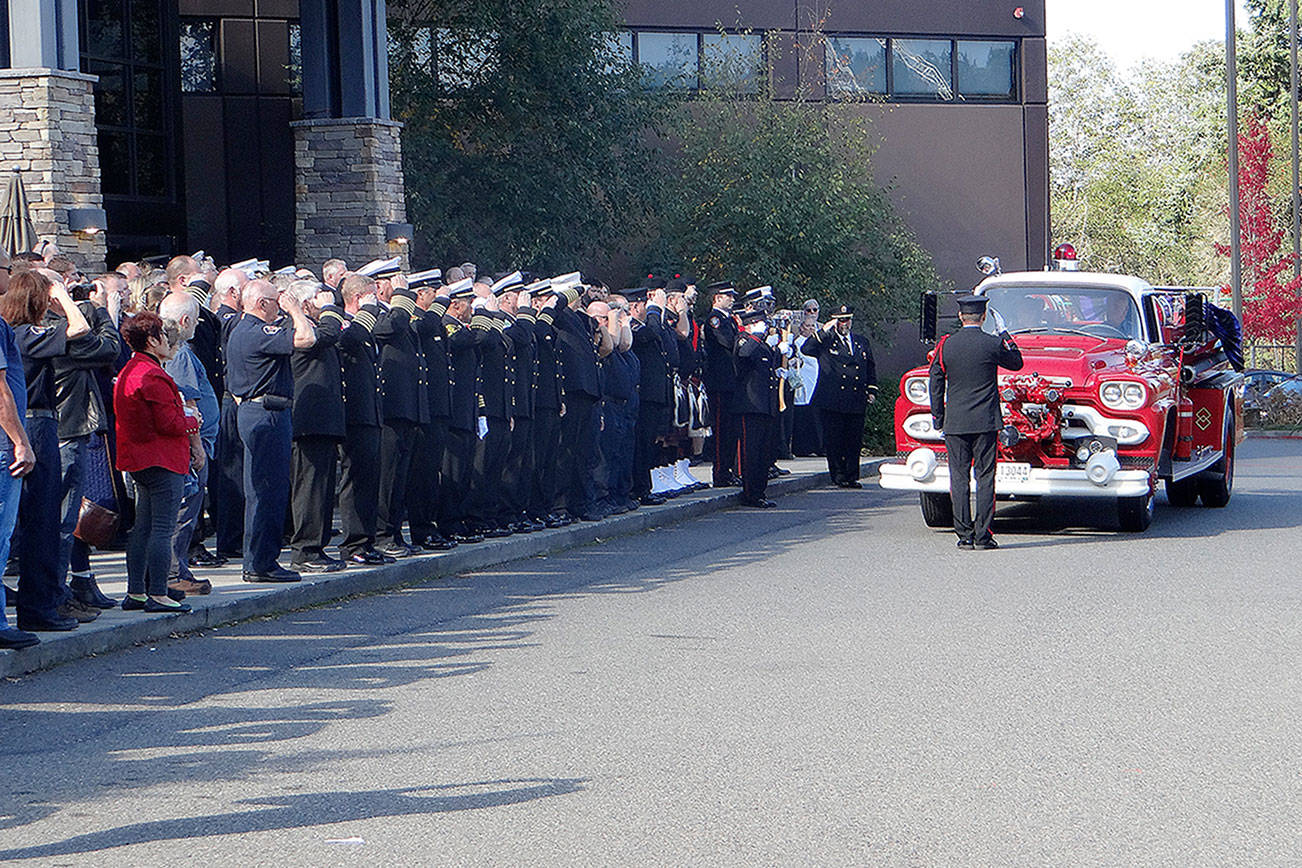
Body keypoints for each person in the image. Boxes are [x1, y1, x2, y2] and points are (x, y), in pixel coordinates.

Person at [3, 269, 92, 631]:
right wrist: (64, 298)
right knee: (42, 519)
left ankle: (38, 603)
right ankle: (38, 607)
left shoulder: (14, 333)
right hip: (34, 422)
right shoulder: (26, 334)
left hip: (30, 421)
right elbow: (80, 329)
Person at [226, 279, 316, 582]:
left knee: (263, 490)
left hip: (258, 412)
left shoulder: (242, 330)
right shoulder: (256, 332)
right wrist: (295, 310)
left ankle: (259, 559)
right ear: (261, 304)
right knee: (268, 491)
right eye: (275, 302)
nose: (279, 306)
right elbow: (306, 339)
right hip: (266, 415)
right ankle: (261, 563)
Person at [113, 311, 202, 613]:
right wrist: (191, 419)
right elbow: (169, 423)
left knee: (142, 527)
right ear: (152, 340)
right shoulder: (153, 375)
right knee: (163, 529)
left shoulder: (130, 369)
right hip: (161, 458)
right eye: (163, 335)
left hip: (137, 458)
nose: (167, 340)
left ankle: (136, 591)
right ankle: (159, 592)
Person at [928, 294, 1024, 550]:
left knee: (958, 478)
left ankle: (964, 535)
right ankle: (983, 535)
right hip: (985, 421)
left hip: (956, 422)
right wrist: (1004, 334)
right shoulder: (991, 344)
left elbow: (935, 382)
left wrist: (938, 418)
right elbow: (1017, 363)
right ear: (983, 317)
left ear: (961, 316)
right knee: (985, 478)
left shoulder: (946, 345)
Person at [158, 291, 220, 595]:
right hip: (191, 447)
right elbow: (188, 405)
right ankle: (173, 572)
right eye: (195, 319)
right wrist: (196, 447)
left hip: (189, 444)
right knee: (183, 512)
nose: (197, 324)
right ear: (185, 320)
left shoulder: (176, 350)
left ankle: (176, 568)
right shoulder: (180, 353)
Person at [286, 279, 347, 573]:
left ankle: (317, 546)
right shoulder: (300, 329)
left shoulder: (311, 327)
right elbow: (328, 334)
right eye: (317, 300)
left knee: (321, 488)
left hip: (322, 421)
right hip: (308, 421)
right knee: (308, 489)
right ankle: (304, 550)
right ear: (306, 304)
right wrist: (329, 309)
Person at [0, 253, 40, 648]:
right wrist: (20, 441)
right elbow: (0, 391)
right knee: (0, 535)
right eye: (6, 270)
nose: (10, 277)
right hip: (3, 445)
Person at [801, 304, 877, 488]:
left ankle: (852, 475)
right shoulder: (826, 341)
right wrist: (823, 332)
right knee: (835, 440)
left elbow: (870, 367)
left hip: (856, 398)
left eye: (848, 319)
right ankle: (839, 475)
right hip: (833, 399)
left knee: (853, 440)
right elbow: (806, 348)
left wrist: (872, 390)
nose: (845, 323)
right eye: (841, 320)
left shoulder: (860, 341)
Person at [703, 281, 741, 487]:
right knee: (721, 429)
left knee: (731, 430)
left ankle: (728, 469)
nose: (732, 299)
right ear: (717, 298)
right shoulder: (715, 319)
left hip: (731, 382)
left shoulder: (731, 320)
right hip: (720, 382)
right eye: (729, 296)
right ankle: (720, 472)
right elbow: (727, 342)